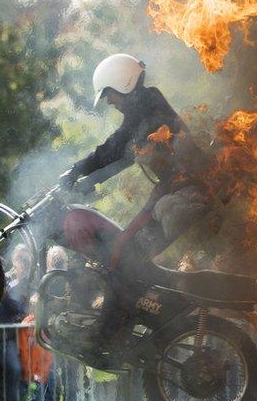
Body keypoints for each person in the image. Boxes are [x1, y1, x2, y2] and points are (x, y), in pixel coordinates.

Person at [58, 53, 213, 352]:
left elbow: (116, 147)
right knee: (125, 258)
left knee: (123, 255)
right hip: (175, 191)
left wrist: (78, 170)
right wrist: (90, 180)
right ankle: (126, 328)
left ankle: (119, 331)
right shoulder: (146, 109)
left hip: (184, 193)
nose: (109, 102)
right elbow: (127, 155)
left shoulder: (147, 107)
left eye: (109, 94)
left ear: (123, 83)